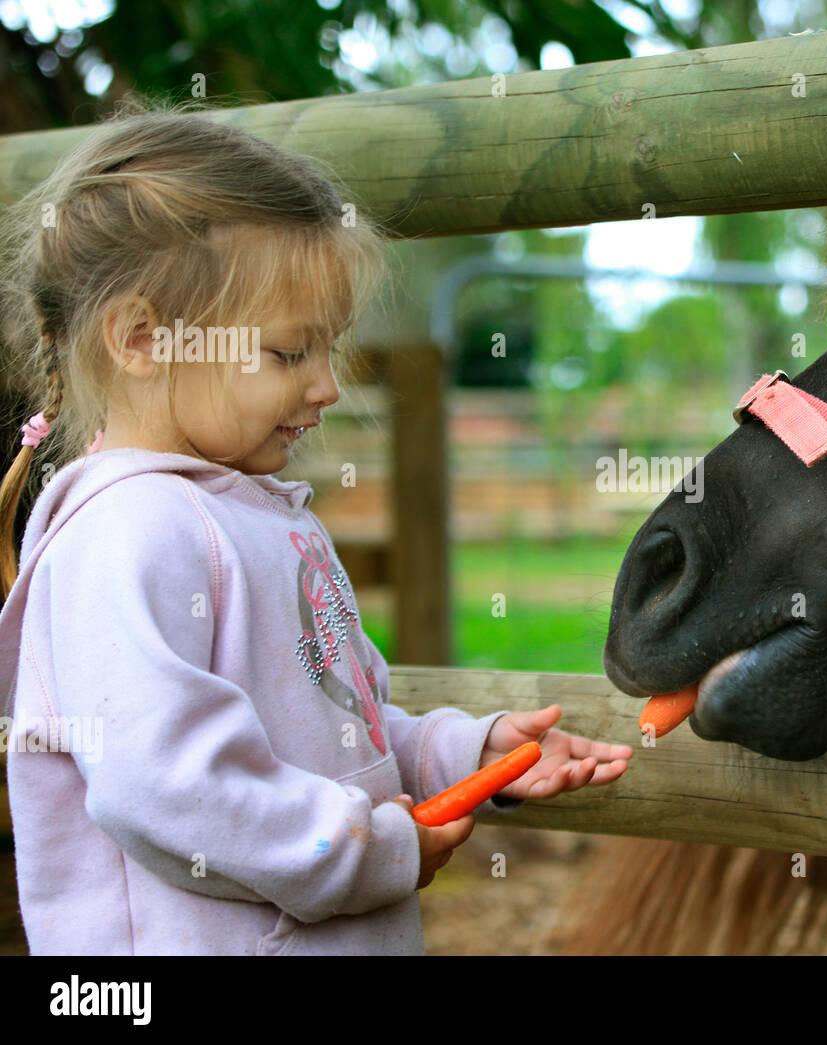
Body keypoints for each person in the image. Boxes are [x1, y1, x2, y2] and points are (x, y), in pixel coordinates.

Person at [0, 97, 632, 956]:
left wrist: (469, 754)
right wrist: (367, 850)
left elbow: (344, 728)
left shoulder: (255, 518)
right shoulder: (126, 533)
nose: (327, 386)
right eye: (290, 353)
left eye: (328, 350)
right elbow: (168, 785)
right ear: (144, 339)